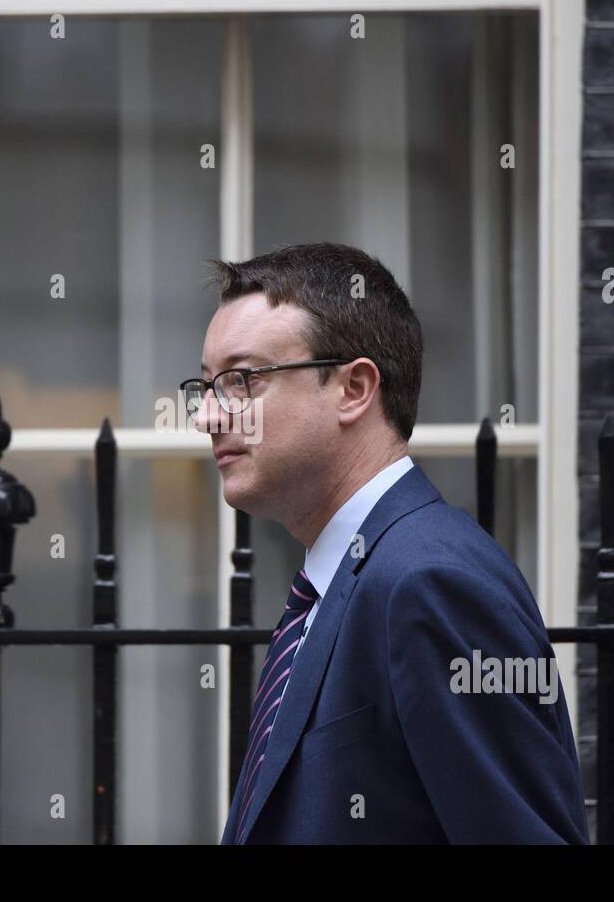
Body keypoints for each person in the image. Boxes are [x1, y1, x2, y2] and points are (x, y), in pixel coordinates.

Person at [181, 242, 589, 844]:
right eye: (207, 385)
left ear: (354, 388)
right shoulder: (347, 580)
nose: (208, 417)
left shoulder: (430, 583)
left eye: (242, 381)